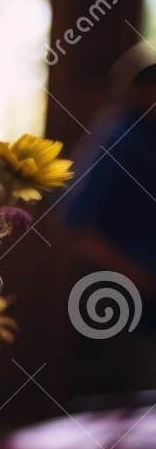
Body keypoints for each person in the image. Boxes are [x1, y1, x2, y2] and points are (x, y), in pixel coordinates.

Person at [62, 43, 156, 392]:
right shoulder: (120, 140)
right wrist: (137, 276)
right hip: (122, 298)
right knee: (122, 397)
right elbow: (78, 227)